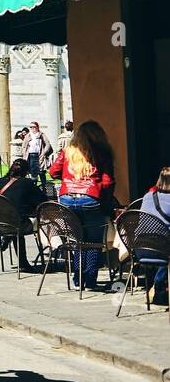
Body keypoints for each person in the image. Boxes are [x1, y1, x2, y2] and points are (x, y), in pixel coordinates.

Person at [47, 120, 116, 289]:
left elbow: (53, 172)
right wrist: (105, 198)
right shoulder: (102, 153)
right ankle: (90, 279)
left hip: (67, 200)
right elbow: (107, 182)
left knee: (78, 239)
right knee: (93, 241)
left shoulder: (67, 152)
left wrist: (68, 178)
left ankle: (78, 280)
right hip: (91, 199)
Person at [0, 159, 47, 272]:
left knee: (16, 223)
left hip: (0, 223)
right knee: (36, 221)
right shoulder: (27, 183)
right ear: (26, 171)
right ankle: (23, 263)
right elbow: (42, 201)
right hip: (19, 224)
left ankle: (8, 237)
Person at [131, 167, 170, 306]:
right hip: (161, 250)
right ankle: (159, 286)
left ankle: (158, 288)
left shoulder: (148, 196)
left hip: (139, 247)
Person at [24, 121, 53, 186]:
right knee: (33, 173)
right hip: (30, 156)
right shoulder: (28, 135)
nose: (32, 128)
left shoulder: (41, 134)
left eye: (34, 127)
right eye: (31, 127)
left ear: (37, 127)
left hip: (39, 155)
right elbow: (24, 146)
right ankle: (34, 188)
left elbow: (47, 144)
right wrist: (24, 155)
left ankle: (44, 187)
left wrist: (44, 152)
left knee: (41, 172)